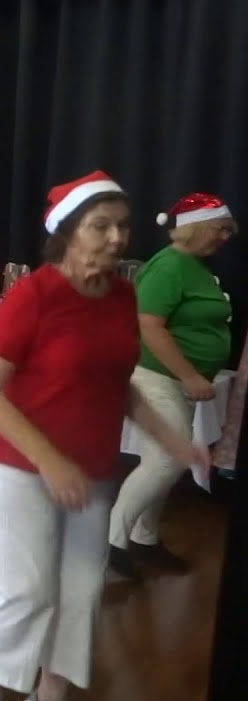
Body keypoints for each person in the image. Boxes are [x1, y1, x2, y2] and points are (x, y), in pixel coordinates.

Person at [0, 171, 209, 701]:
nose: (117, 237)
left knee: (81, 590)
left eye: (123, 225)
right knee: (24, 589)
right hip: (24, 466)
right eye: (101, 226)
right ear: (67, 232)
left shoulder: (122, 295)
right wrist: (50, 461)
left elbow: (119, 385)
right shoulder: (33, 295)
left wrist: (173, 439)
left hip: (92, 468)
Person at [107, 192, 235, 578]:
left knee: (160, 462)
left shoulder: (195, 266)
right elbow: (148, 325)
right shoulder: (169, 266)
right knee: (168, 459)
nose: (225, 237)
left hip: (176, 383)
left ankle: (144, 539)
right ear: (194, 227)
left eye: (227, 231)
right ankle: (111, 541)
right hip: (155, 379)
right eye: (219, 229)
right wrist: (190, 375)